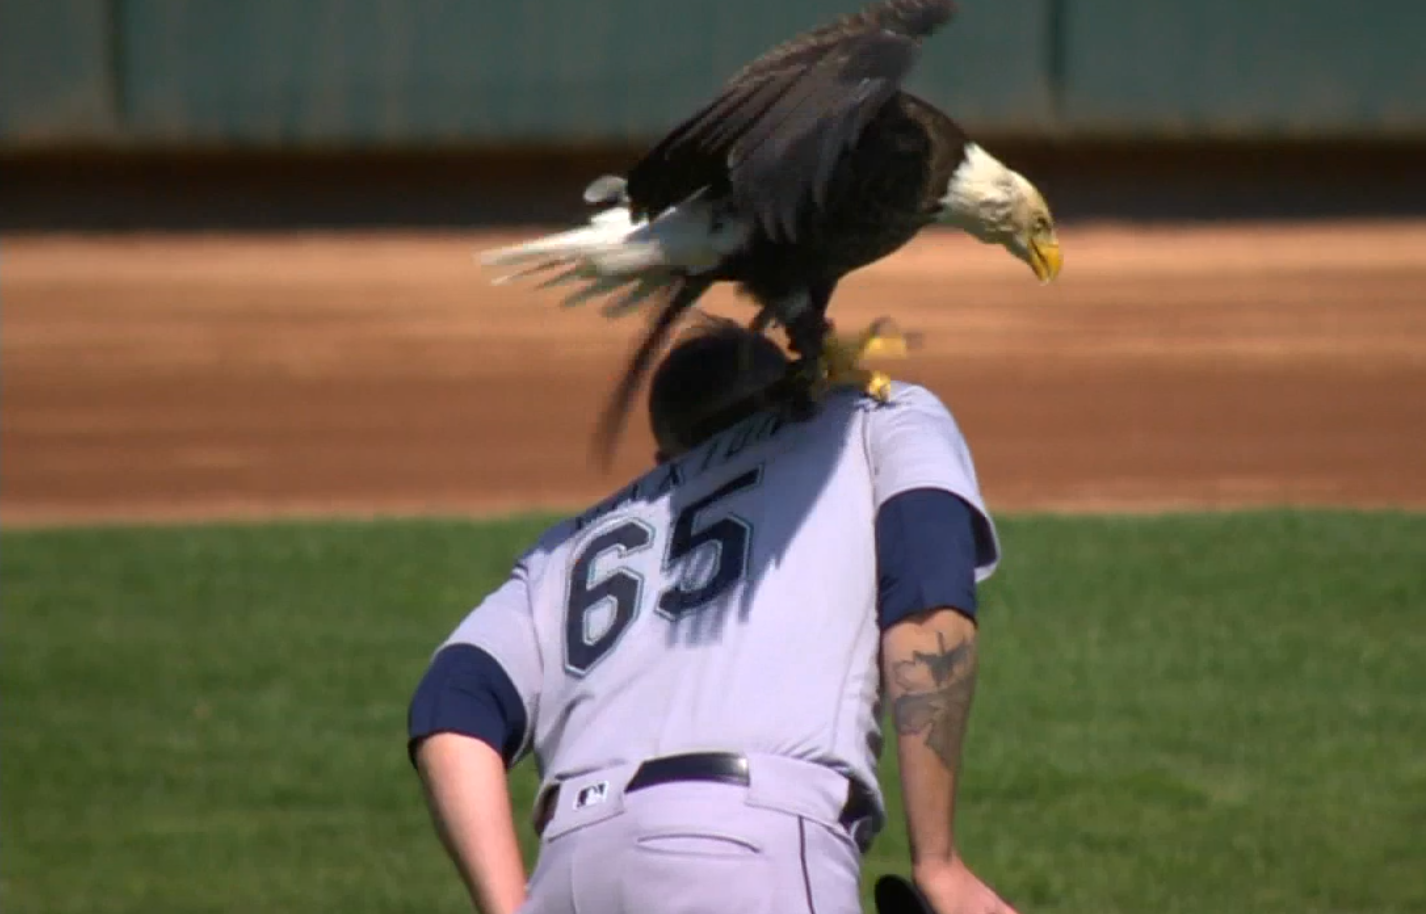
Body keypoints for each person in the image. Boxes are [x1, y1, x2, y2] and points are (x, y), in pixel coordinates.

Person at [406, 315, 1019, 914]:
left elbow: (450, 706)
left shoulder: (565, 551)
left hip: (571, 866)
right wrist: (937, 861)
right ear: (796, 397)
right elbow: (926, 597)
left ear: (663, 455)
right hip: (745, 851)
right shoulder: (871, 419)